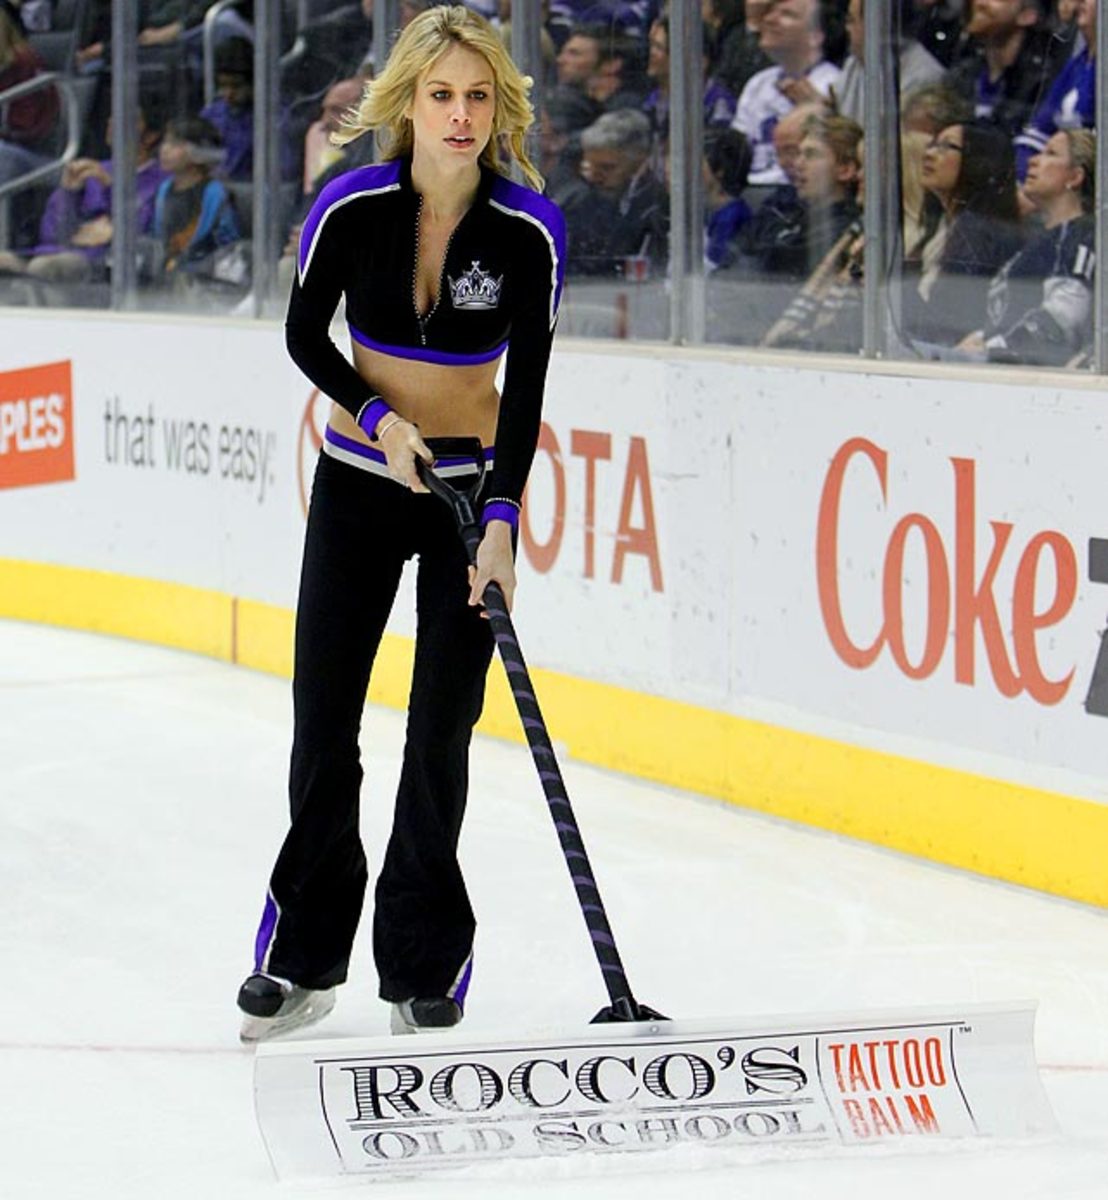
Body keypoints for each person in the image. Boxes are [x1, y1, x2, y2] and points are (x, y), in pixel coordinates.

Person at [237, 4, 566, 1041]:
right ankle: (302, 952)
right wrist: (375, 417)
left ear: (498, 106)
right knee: (324, 718)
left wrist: (503, 523)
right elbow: (302, 333)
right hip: (357, 481)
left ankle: (423, 960)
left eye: (478, 95)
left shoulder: (528, 233)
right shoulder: (349, 208)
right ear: (408, 103)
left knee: (439, 733)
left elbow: (526, 396)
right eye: (441, 95)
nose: (460, 115)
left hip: (470, 499)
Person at [963, 128, 1095, 364]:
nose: (1033, 160)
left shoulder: (1082, 234)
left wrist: (991, 349)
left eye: (1051, 153)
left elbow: (1064, 318)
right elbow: (1007, 315)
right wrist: (979, 338)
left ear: (1074, 177)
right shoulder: (1037, 239)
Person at [902, 119, 1023, 349]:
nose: (929, 154)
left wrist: (889, 280)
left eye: (947, 147)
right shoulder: (941, 226)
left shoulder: (977, 232)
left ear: (978, 162)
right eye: (933, 144)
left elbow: (946, 327)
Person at [730, 0, 845, 185]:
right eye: (771, 12)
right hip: (751, 192)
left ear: (815, 35)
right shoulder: (758, 83)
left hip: (799, 192)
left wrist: (822, 110)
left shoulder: (834, 84)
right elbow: (735, 151)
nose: (768, 19)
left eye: (787, 15)